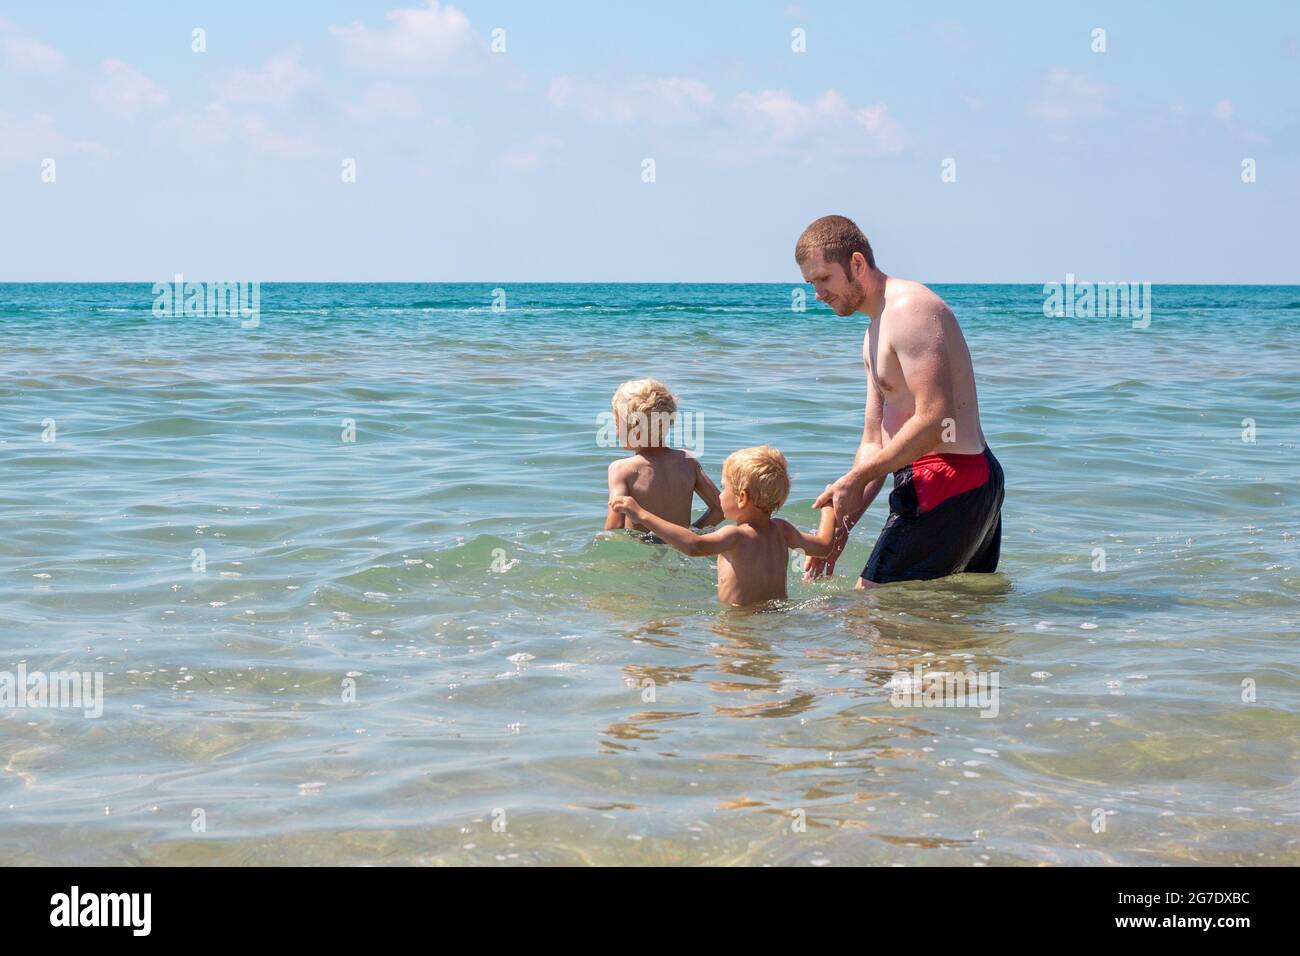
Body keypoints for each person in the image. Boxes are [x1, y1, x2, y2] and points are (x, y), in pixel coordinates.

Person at [796, 215, 1004, 586]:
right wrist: (841, 529)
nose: (817, 294)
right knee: (947, 616)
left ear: (857, 264)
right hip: (950, 481)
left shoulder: (910, 310)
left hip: (948, 476)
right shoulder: (873, 333)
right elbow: (874, 440)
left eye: (824, 278)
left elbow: (935, 420)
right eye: (811, 283)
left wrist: (855, 478)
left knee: (871, 605)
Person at [610, 445, 835, 605]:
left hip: (739, 625)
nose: (720, 495)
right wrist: (829, 506)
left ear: (742, 498)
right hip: (776, 617)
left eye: (724, 487)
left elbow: (694, 546)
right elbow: (824, 545)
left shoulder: (735, 536)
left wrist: (641, 514)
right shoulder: (783, 530)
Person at [604, 378, 722, 535]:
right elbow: (721, 509)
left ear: (636, 432)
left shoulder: (621, 469)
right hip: (681, 548)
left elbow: (614, 529)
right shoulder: (687, 461)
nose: (616, 431)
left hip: (643, 549)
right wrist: (688, 535)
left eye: (618, 424)